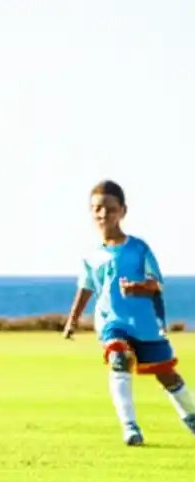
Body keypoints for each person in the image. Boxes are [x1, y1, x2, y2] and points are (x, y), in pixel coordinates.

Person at [62, 179, 195, 445]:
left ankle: (190, 416)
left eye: (109, 209)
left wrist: (138, 288)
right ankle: (130, 426)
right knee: (119, 358)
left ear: (122, 211)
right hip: (112, 322)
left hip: (144, 324)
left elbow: (157, 283)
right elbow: (86, 287)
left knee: (167, 375)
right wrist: (72, 321)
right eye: (96, 209)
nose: (102, 214)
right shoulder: (91, 256)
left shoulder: (138, 249)